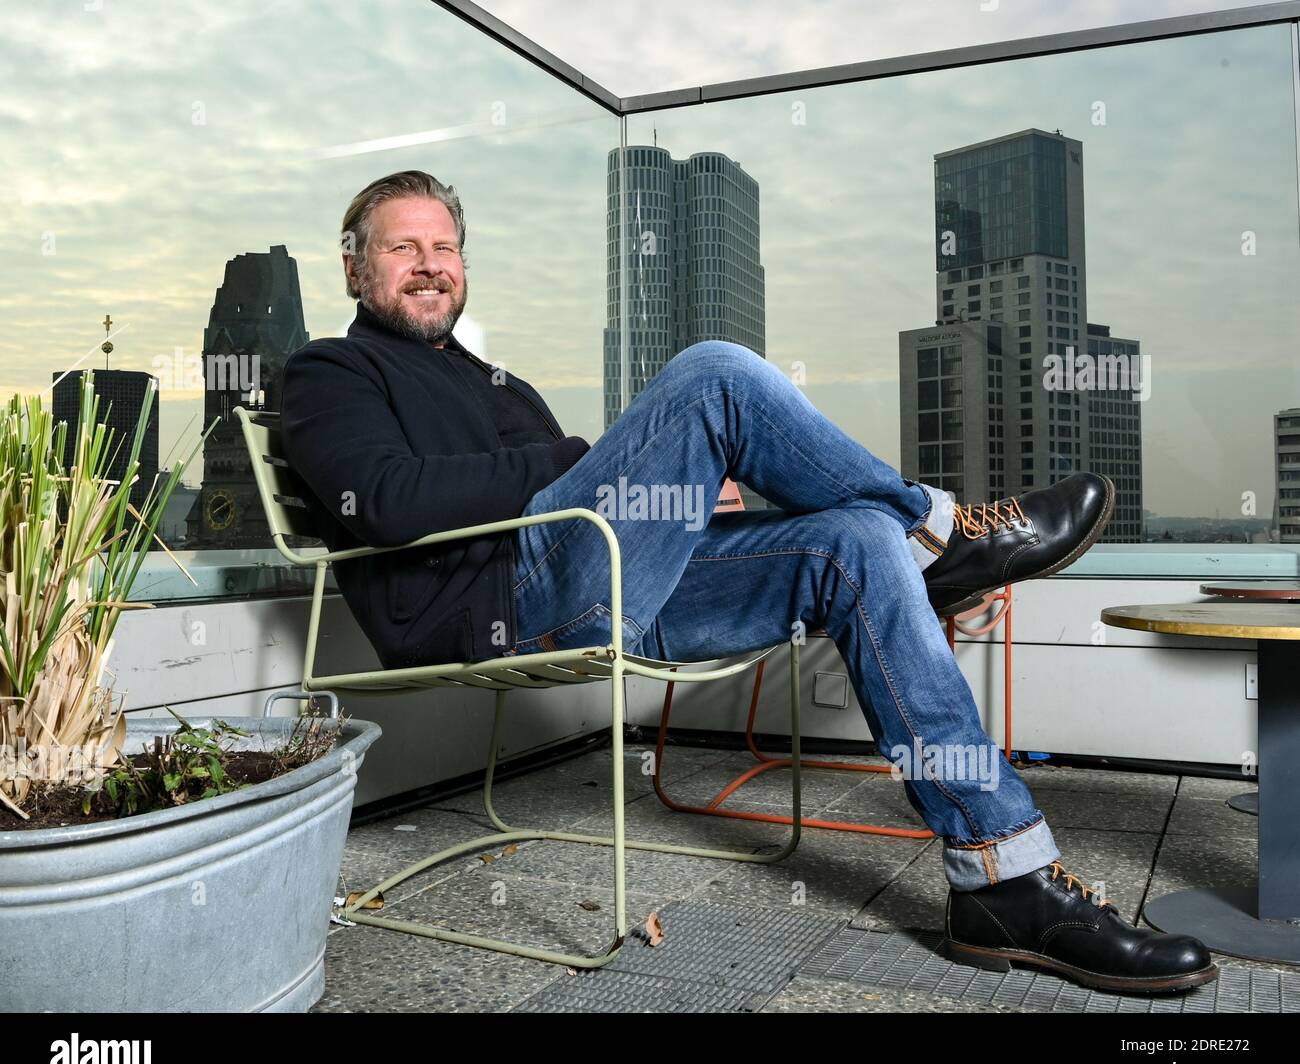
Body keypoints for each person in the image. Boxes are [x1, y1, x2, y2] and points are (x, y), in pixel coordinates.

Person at [280, 169, 1217, 996]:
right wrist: (579, 456)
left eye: (446, 246)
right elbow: (391, 504)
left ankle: (1003, 879)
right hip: (493, 607)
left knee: (852, 539)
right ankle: (939, 529)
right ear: (358, 265)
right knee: (716, 372)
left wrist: (690, 500)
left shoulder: (501, 384)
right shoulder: (330, 369)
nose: (431, 261)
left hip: (600, 581)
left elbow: (579, 507)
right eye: (404, 246)